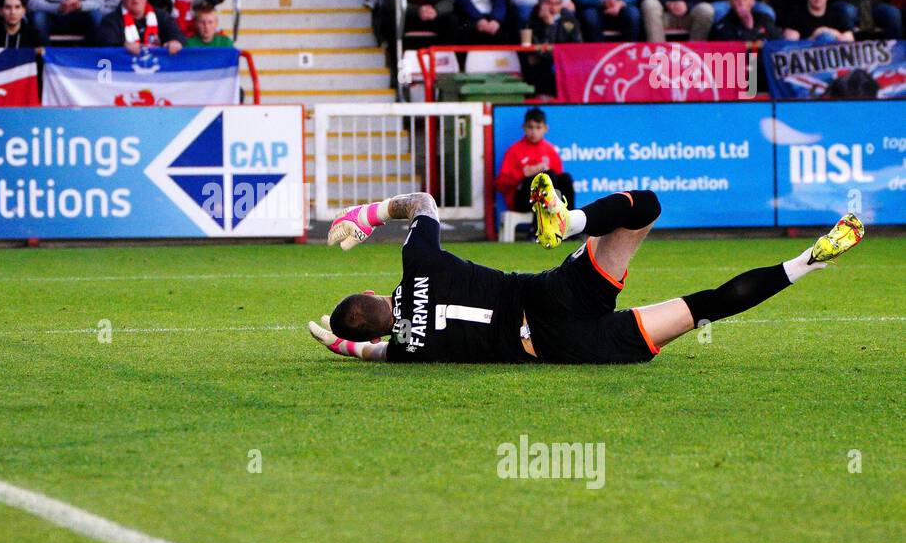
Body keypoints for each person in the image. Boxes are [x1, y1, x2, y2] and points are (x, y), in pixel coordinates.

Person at [309, 180, 866, 366]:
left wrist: (340, 346)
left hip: (570, 344)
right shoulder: (418, 264)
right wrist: (370, 215)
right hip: (552, 294)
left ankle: (805, 263)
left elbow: (377, 353)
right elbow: (425, 202)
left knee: (705, 307)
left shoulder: (409, 352)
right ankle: (572, 220)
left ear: (379, 330)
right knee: (644, 205)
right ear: (368, 289)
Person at [494, 108, 574, 213]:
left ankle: (569, 218)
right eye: (530, 127)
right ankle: (542, 219)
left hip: (548, 201)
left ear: (546, 128)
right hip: (523, 200)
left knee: (565, 178)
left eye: (538, 127)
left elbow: (558, 179)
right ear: (524, 127)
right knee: (545, 177)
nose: (534, 132)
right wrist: (522, 173)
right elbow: (500, 185)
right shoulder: (514, 150)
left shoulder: (550, 151)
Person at [93, 0, 185, 53]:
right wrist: (123, 45)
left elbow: (176, 34)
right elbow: (106, 44)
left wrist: (175, 41)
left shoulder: (161, 16)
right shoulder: (111, 20)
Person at [520, 0, 581, 94]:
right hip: (542, 64)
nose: (553, 8)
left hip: (564, 62)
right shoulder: (531, 21)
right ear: (541, 4)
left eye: (557, 3)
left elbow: (578, 46)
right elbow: (539, 51)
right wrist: (549, 26)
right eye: (549, 3)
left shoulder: (569, 19)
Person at [710, 0, 783, 40]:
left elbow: (778, 44)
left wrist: (750, 29)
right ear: (730, 2)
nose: (741, 3)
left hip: (760, 57)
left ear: (753, 1)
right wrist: (748, 29)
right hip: (739, 57)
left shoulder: (764, 19)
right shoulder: (723, 24)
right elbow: (737, 51)